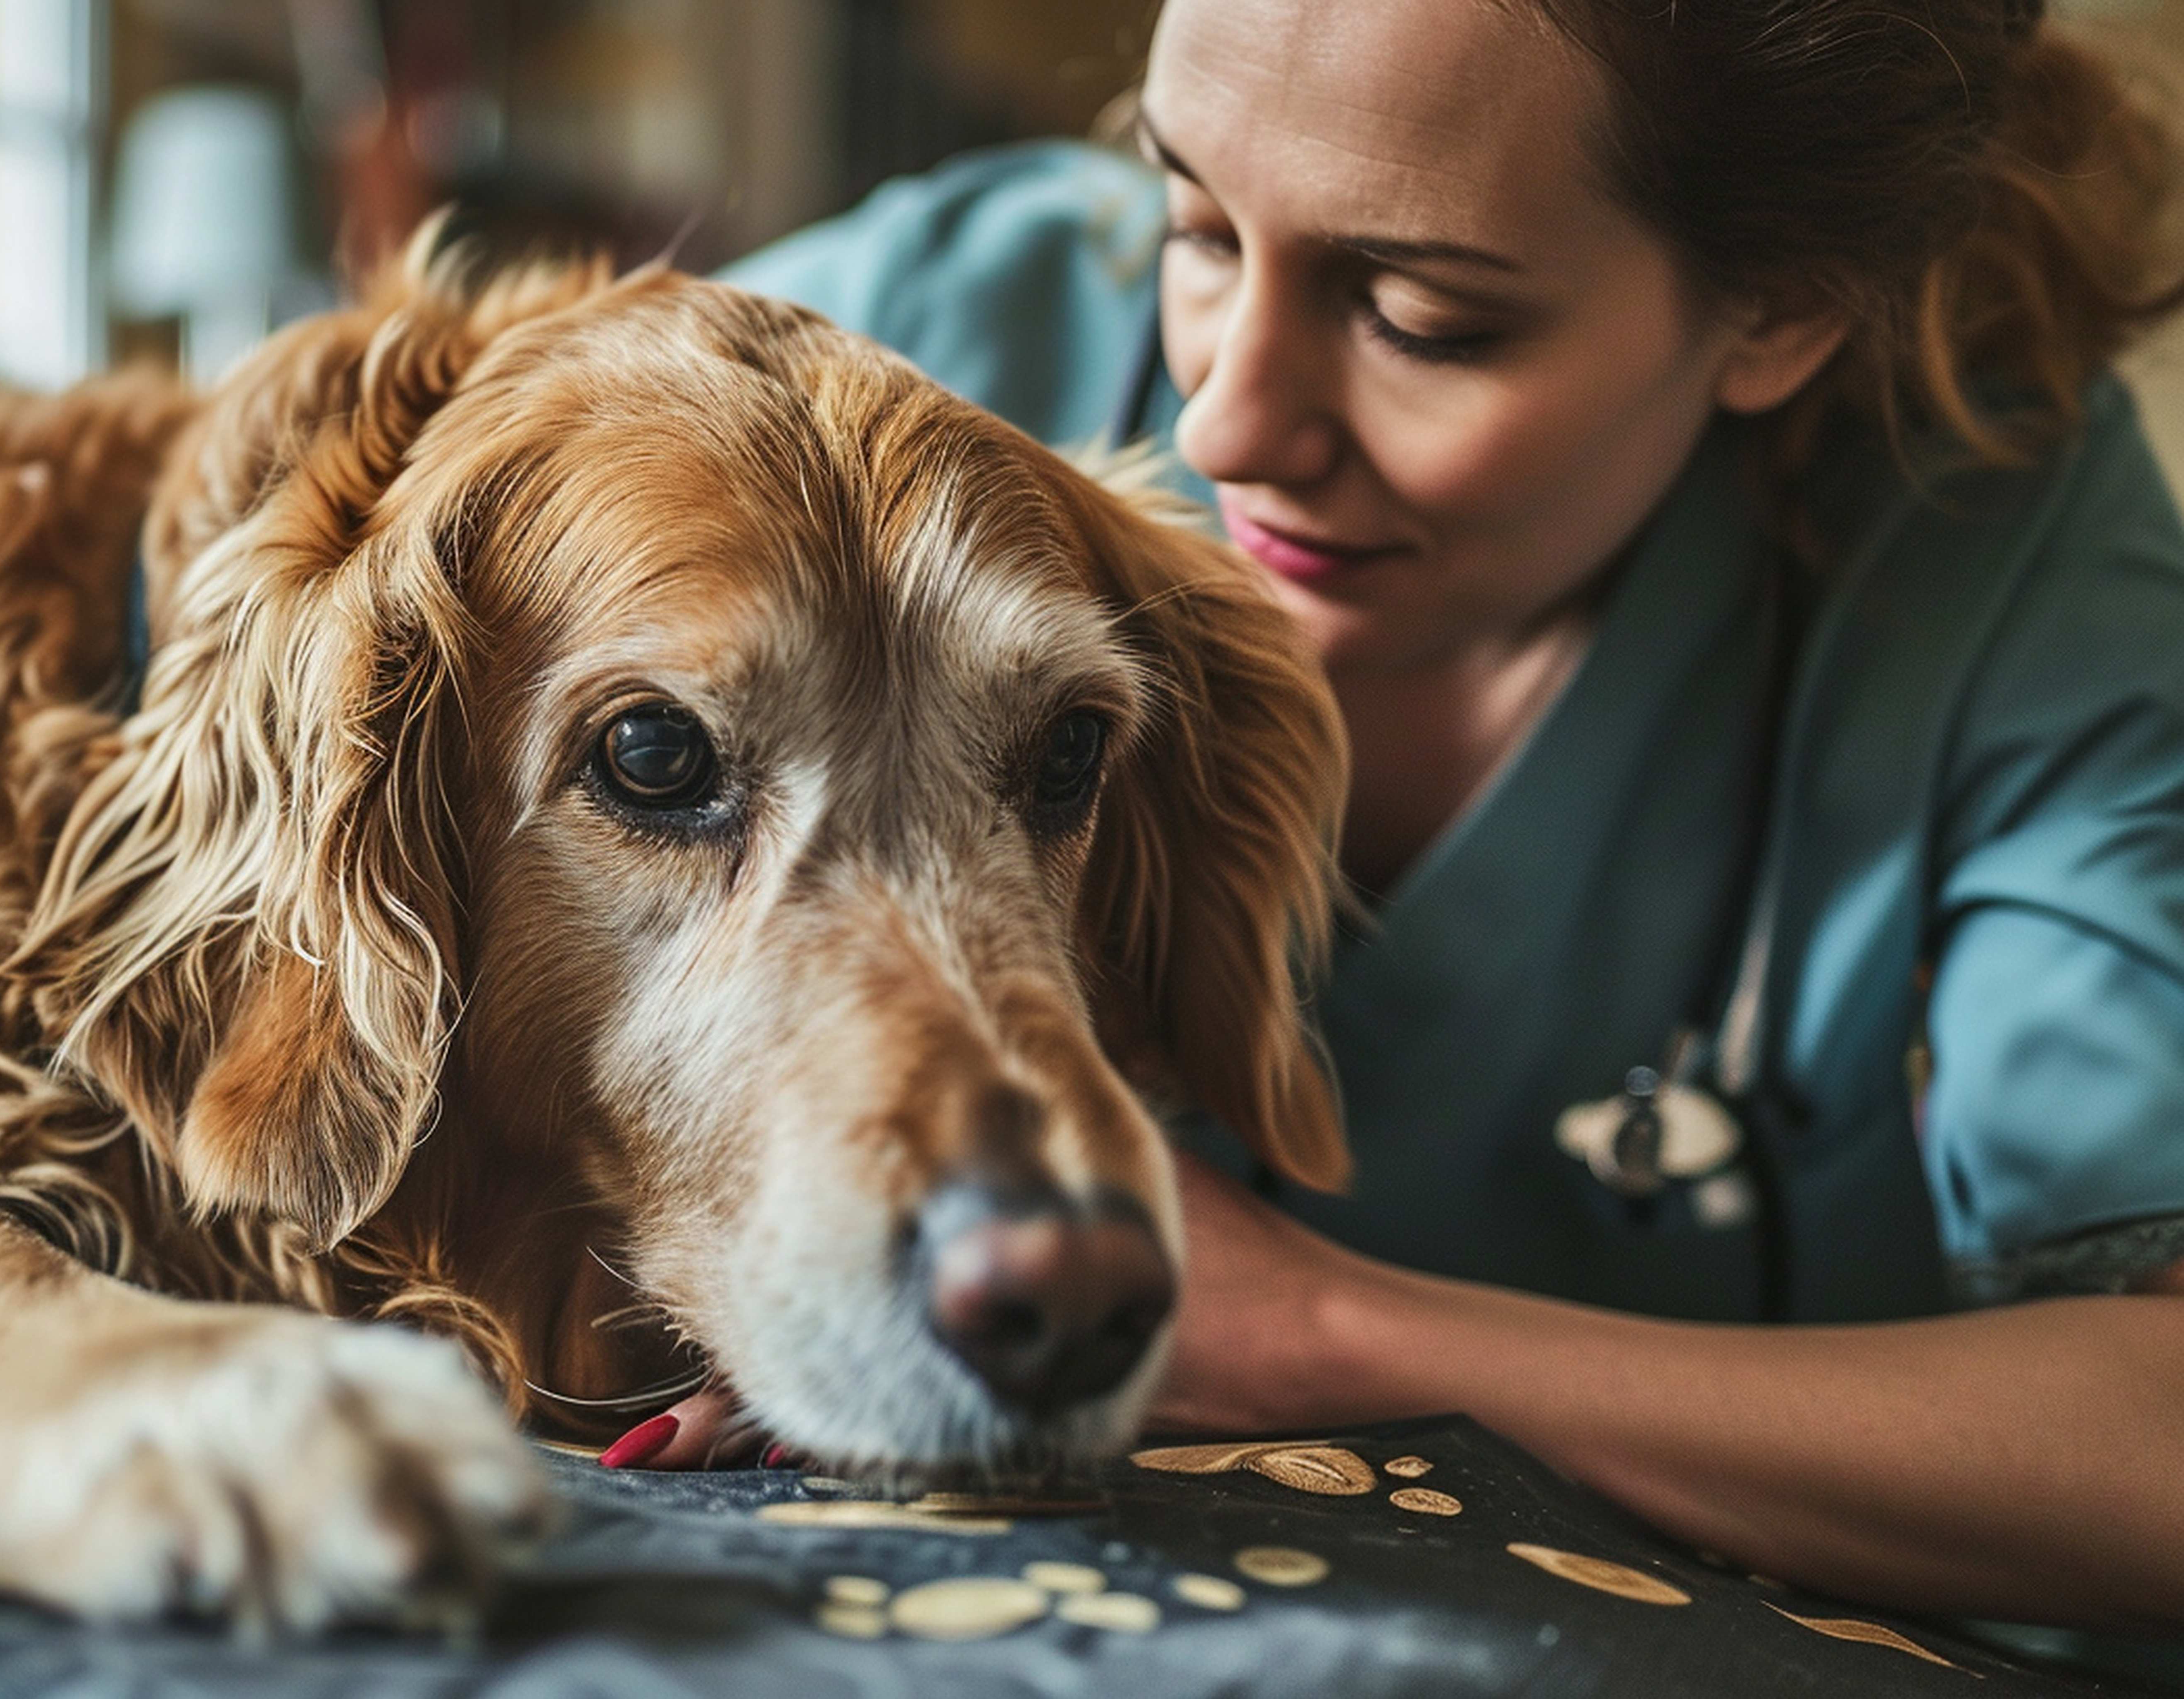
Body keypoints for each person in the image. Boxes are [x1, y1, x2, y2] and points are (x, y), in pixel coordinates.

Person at [645, 0, 2184, 1643]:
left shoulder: (1992, 543)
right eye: (1193, 222)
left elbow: (2143, 1444)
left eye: (1421, 317)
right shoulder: (921, 343)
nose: (1227, 420)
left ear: (1778, 311)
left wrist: (1317, 1332)